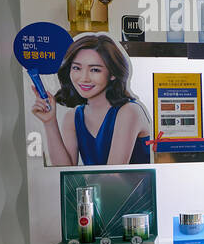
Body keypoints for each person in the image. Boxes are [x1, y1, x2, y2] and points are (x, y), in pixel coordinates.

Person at [31, 34, 151, 166]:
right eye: (76, 68)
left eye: (95, 70)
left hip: (131, 187)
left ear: (112, 74)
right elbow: (64, 170)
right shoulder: (73, 117)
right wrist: (49, 122)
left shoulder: (129, 111)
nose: (84, 78)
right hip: (99, 186)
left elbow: (114, 175)